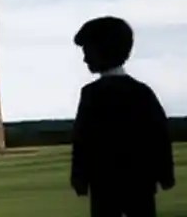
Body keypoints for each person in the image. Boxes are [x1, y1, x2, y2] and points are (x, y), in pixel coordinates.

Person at [70, 16, 175, 217]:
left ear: (101, 50)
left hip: (105, 184)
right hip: (140, 182)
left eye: (87, 51)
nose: (85, 59)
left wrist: (80, 177)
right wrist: (165, 174)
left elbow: (82, 139)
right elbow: (160, 135)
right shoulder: (142, 92)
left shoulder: (91, 94)